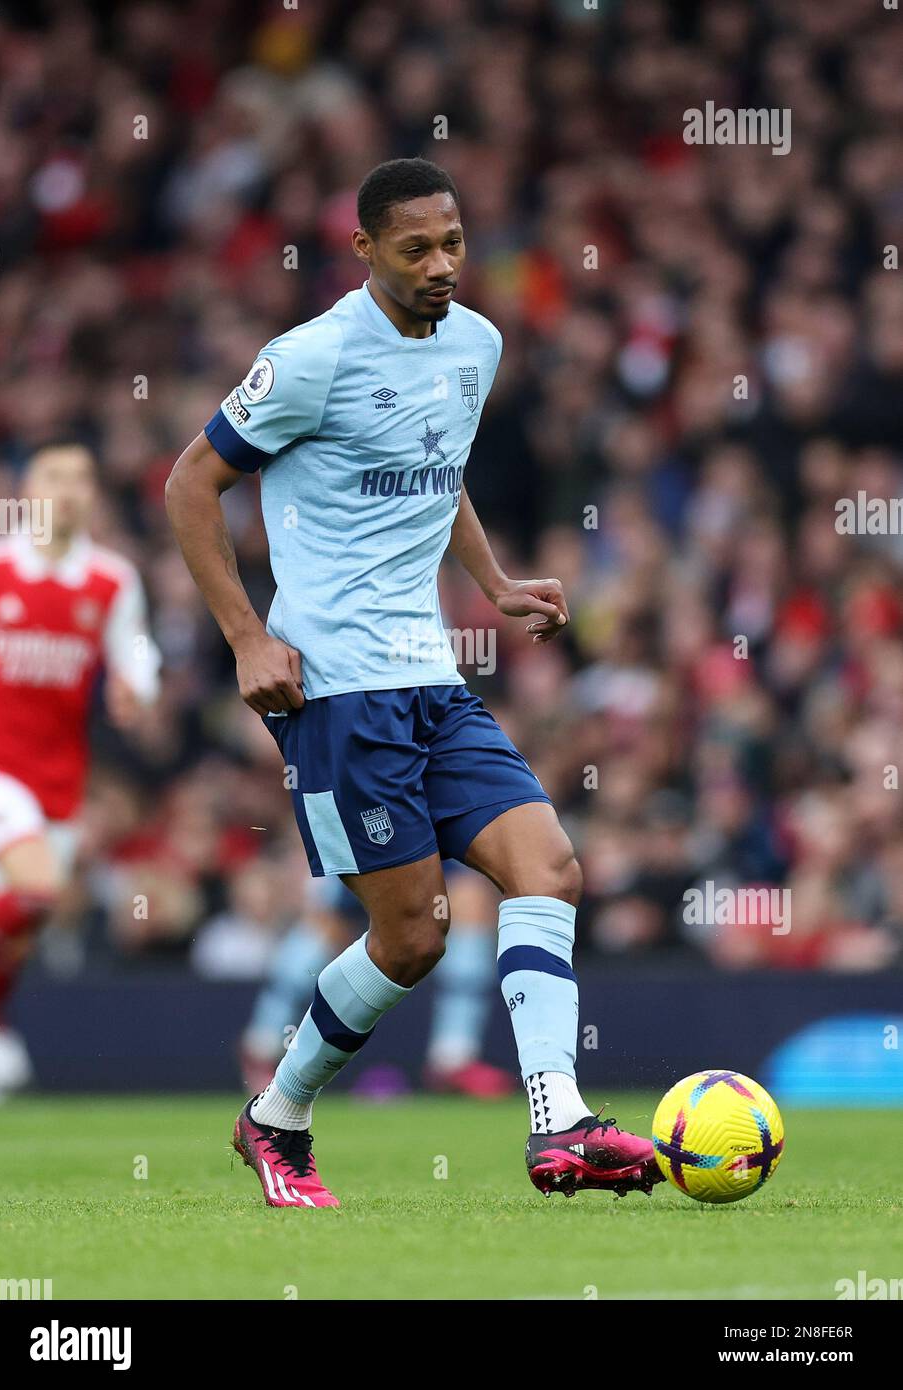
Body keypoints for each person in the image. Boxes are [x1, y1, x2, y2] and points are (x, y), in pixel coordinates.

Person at [166, 157, 662, 1208]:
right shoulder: (309, 359)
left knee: (549, 868)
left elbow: (438, 470)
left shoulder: (476, 343)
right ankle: (276, 1117)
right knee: (413, 936)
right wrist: (247, 638)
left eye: (452, 244)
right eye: (415, 249)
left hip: (431, 675)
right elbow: (188, 484)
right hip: (337, 692)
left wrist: (490, 582)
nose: (442, 266)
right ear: (363, 251)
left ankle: (557, 1117)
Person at [0, 442, 161, 1099]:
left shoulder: (111, 578)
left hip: (57, 781)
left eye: (82, 479)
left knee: (19, 930)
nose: (68, 490)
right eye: (54, 477)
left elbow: (136, 647)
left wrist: (136, 689)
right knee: (34, 891)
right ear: (27, 491)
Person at [240, 861, 516, 1099]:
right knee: (330, 919)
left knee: (470, 898)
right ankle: (261, 1046)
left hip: (430, 824)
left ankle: (454, 1058)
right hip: (376, 814)